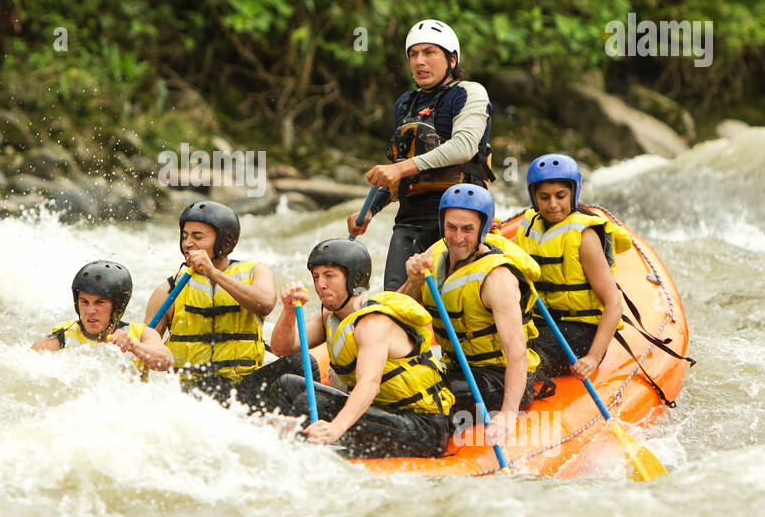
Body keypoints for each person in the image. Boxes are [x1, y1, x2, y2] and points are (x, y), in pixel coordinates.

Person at [266, 238, 453, 458]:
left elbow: (369, 384)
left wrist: (335, 428)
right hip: (384, 413)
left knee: (301, 398)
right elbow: (282, 348)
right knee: (286, 386)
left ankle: (311, 449)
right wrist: (288, 310)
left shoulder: (372, 324)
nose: (320, 285)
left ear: (355, 279)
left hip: (421, 427)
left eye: (329, 276)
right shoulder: (331, 318)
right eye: (316, 277)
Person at [347, 19, 495, 291]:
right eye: (413, 54)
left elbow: (464, 147)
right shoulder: (405, 104)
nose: (419, 62)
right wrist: (371, 209)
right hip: (412, 217)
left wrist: (401, 170)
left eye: (429, 53)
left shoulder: (470, 93)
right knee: (393, 296)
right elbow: (398, 170)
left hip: (460, 211)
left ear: (451, 59)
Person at [400, 184, 541, 446]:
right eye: (451, 227)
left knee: (423, 396)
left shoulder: (497, 278)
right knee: (400, 384)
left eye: (467, 229)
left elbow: (517, 351)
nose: (457, 237)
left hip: (496, 379)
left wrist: (508, 415)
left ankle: (424, 442)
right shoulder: (435, 253)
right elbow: (400, 314)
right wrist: (413, 281)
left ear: (483, 230)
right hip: (456, 368)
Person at [144, 200, 276, 405]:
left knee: (302, 366)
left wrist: (212, 273)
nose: (188, 243)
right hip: (194, 391)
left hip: (246, 387)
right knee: (211, 385)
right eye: (185, 236)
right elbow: (147, 339)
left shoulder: (256, 271)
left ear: (225, 241)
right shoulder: (168, 290)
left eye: (197, 237)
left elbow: (265, 304)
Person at [513, 154, 629, 379]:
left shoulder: (584, 237)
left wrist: (593, 357)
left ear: (573, 194)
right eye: (544, 197)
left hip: (580, 332)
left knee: (519, 354)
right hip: (541, 323)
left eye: (560, 196)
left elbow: (613, 304)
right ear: (534, 198)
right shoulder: (529, 226)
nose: (553, 204)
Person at [32, 260, 173, 373]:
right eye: (84, 302)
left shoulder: (142, 334)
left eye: (99, 303)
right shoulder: (62, 338)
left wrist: (133, 346)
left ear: (117, 306)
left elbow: (166, 362)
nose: (90, 310)